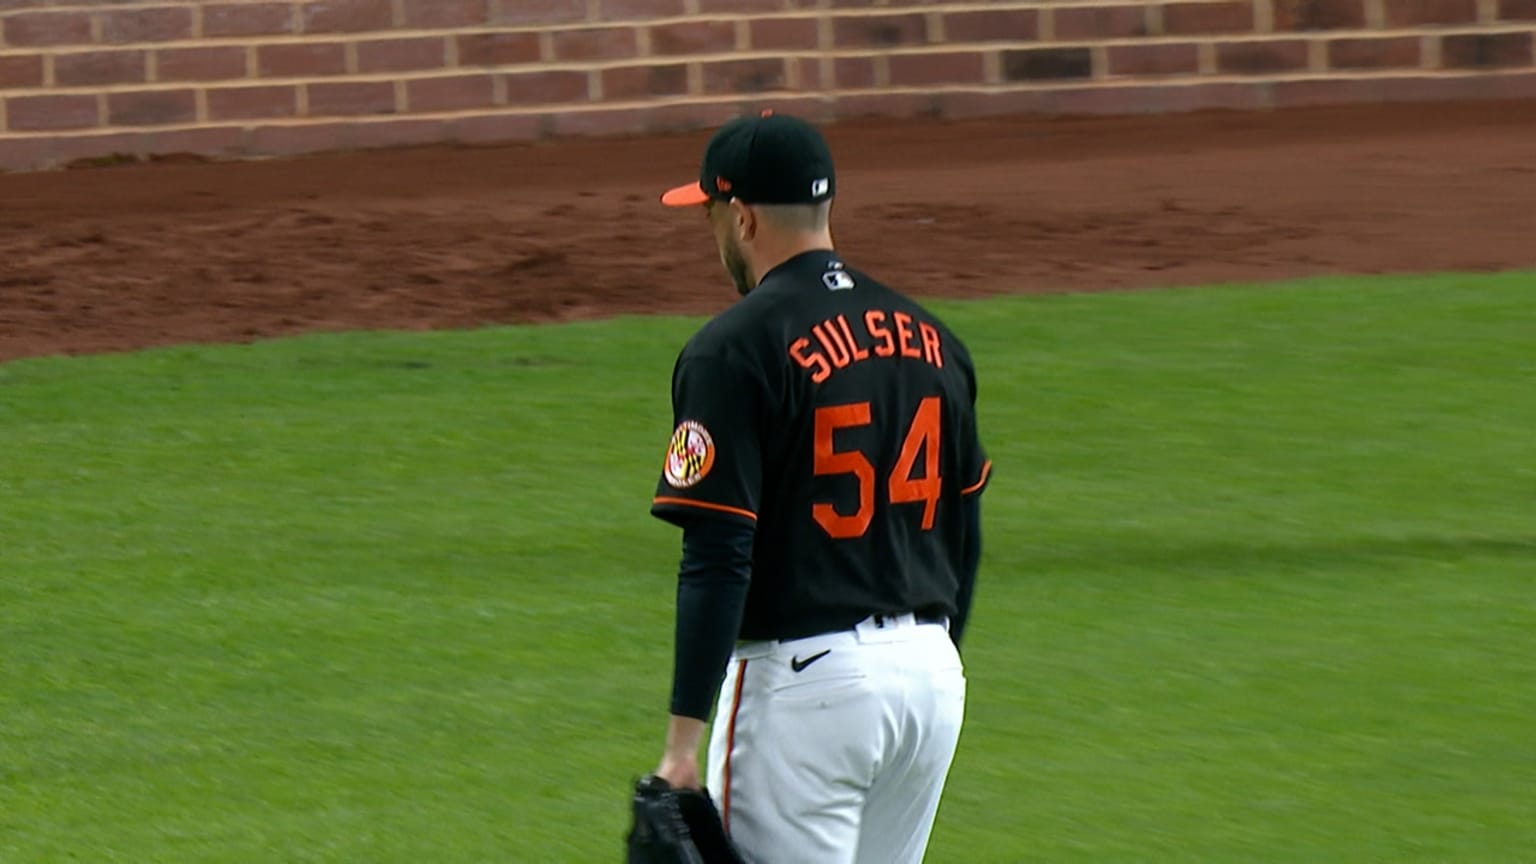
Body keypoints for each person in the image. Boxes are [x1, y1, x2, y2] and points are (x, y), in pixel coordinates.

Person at [645, 110, 991, 864]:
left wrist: (680, 748)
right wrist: (929, 661)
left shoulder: (730, 350)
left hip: (804, 694)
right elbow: (966, 533)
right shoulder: (933, 339)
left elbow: (718, 553)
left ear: (740, 217)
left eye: (708, 213)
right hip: (930, 682)